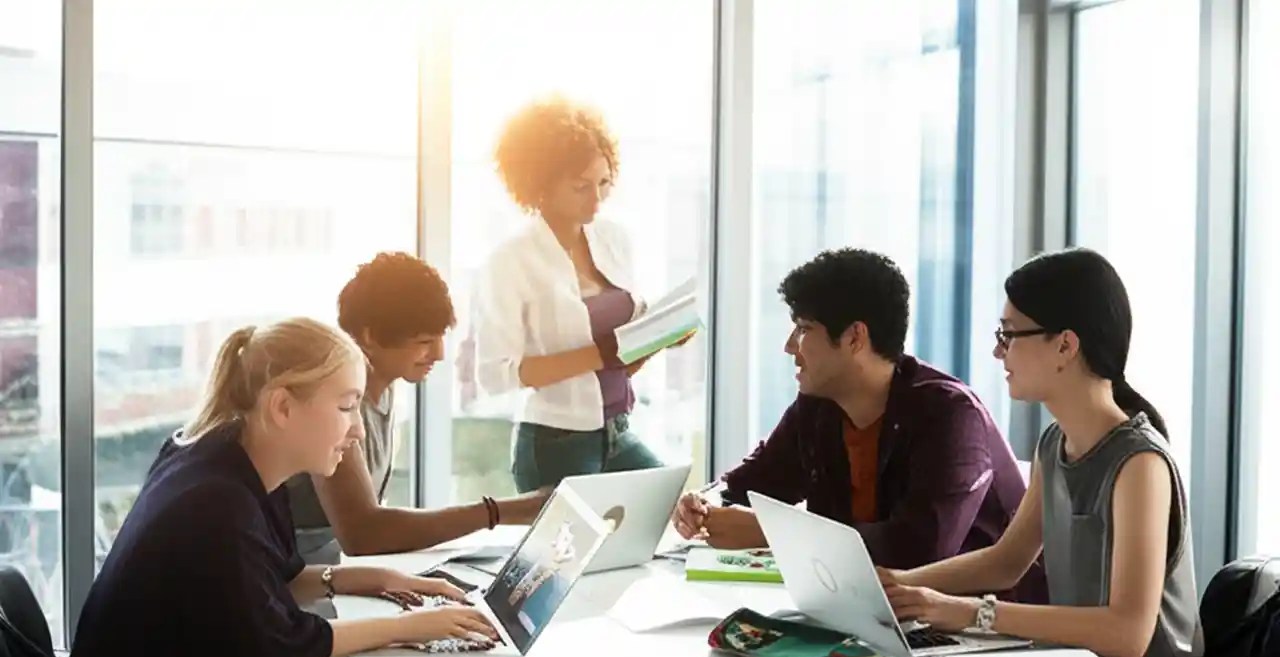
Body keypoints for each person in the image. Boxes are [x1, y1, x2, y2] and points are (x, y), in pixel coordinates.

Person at [52, 319, 498, 657]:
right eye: (346, 407)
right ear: (282, 407)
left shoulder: (228, 462)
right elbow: (287, 641)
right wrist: (408, 629)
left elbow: (275, 583)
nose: (359, 430)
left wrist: (377, 579)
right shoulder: (217, 503)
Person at [877, 248, 1203, 657]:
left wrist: (972, 612)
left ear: (1065, 345)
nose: (998, 351)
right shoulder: (1054, 444)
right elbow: (1005, 562)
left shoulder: (1140, 463)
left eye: (1009, 334)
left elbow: (1129, 633)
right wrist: (898, 586)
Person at [672, 249, 1042, 599]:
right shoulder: (819, 406)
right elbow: (750, 485)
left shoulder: (949, 414)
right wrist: (703, 505)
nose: (789, 346)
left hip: (980, 625)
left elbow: (920, 550)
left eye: (803, 329)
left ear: (854, 337)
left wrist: (772, 532)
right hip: (865, 607)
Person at [473, 95, 688, 493]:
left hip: (617, 430)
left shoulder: (614, 240)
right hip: (555, 444)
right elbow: (495, 374)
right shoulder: (511, 261)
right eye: (580, 187)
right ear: (540, 185)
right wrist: (601, 353)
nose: (596, 199)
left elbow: (622, 360)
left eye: (603, 183)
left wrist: (661, 338)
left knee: (674, 503)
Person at [286, 252, 550, 565]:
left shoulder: (383, 386)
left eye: (440, 337)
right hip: (292, 574)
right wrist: (503, 511)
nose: (438, 354)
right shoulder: (333, 396)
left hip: (332, 568)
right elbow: (362, 533)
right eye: (424, 341)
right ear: (370, 336)